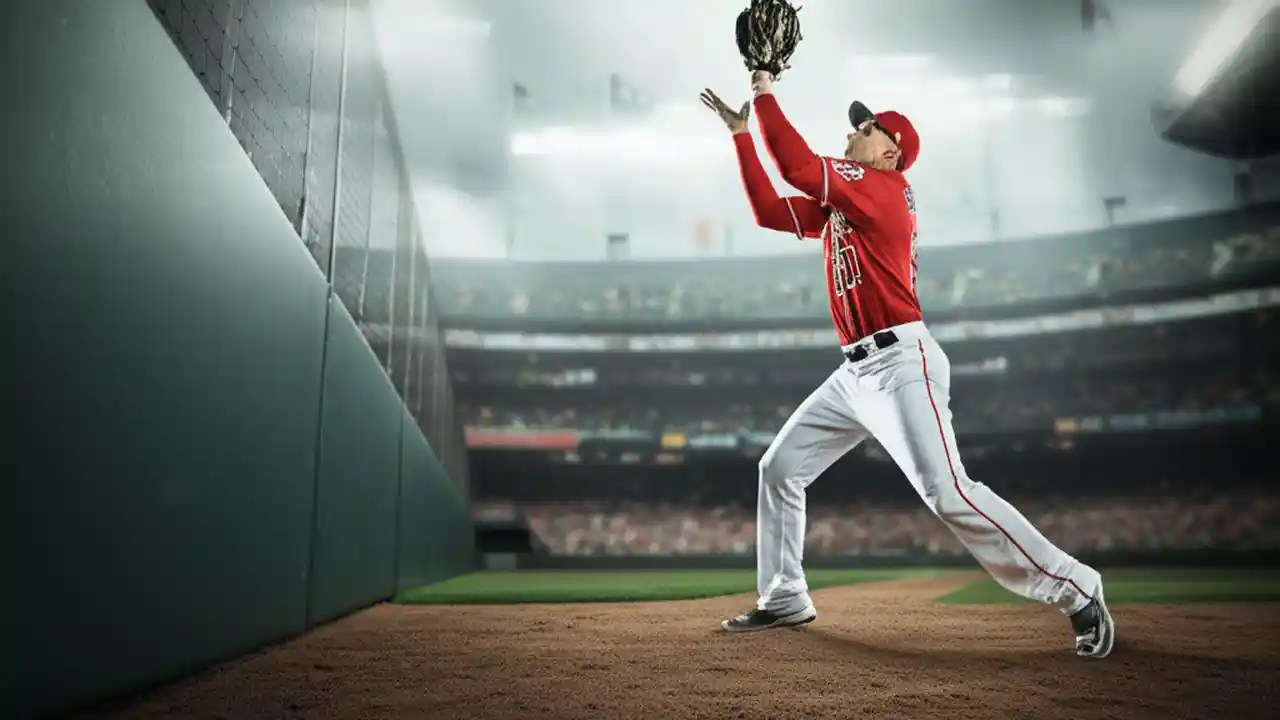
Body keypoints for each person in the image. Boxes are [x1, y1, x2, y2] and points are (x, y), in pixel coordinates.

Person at [698, 71, 1114, 658]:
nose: (854, 130)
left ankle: (1077, 587)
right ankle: (785, 595)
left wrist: (764, 91)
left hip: (900, 364)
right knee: (780, 468)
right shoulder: (849, 202)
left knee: (950, 492)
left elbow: (795, 167)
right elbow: (770, 210)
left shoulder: (880, 188)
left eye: (867, 127)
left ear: (890, 153)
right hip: (855, 373)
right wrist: (743, 134)